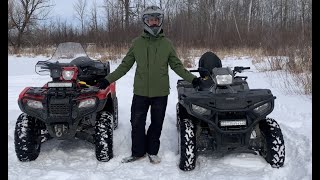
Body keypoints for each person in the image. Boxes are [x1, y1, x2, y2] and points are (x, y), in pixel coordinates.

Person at [97, 5, 201, 164]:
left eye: (156, 20)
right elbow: (125, 66)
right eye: (150, 20)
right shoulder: (136, 43)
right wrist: (108, 79)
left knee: (157, 123)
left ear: (160, 21)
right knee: (136, 122)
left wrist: (193, 79)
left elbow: (177, 66)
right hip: (140, 92)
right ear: (144, 21)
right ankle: (138, 152)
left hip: (160, 92)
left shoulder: (167, 44)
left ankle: (153, 151)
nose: (153, 23)